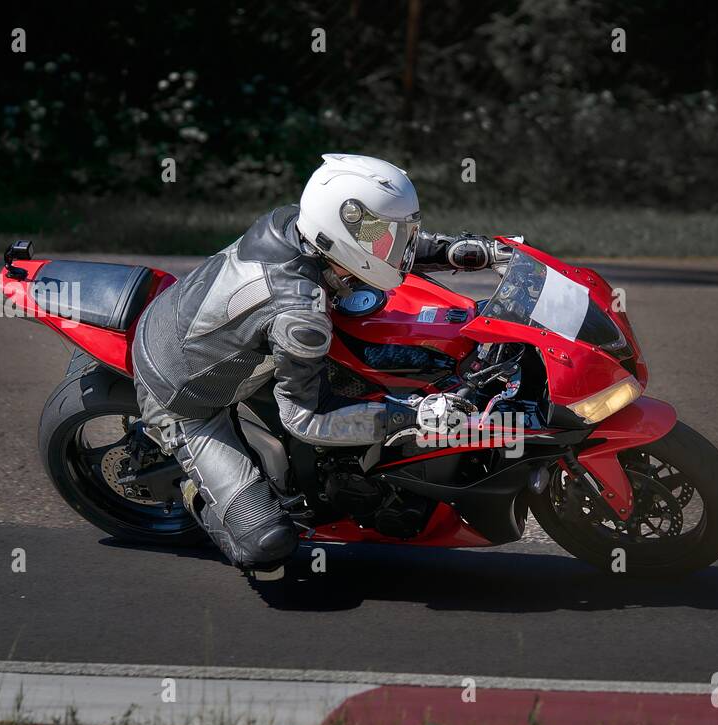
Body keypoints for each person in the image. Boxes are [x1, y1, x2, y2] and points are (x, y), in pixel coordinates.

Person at [131, 153, 509, 571]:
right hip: (181, 398)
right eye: (389, 231)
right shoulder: (300, 313)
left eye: (399, 231)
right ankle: (192, 493)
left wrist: (476, 251)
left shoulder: (294, 223)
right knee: (267, 545)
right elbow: (305, 420)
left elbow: (383, 248)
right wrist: (413, 416)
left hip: (199, 331)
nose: (396, 241)